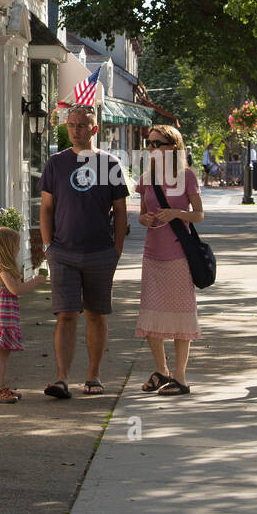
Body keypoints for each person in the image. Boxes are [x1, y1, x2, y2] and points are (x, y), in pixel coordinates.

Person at [39, 103, 127, 398]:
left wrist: (116, 249)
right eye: (72, 125)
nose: (76, 130)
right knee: (65, 315)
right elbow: (47, 208)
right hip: (63, 252)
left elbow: (121, 211)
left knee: (95, 314)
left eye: (82, 125)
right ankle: (62, 378)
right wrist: (48, 245)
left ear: (94, 129)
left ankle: (93, 375)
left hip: (101, 252)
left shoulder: (110, 163)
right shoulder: (56, 163)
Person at [135, 125, 203, 395]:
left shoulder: (186, 176)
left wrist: (176, 213)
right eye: (148, 144)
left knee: (180, 318)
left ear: (173, 146)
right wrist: (146, 219)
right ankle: (161, 370)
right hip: (152, 254)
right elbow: (141, 215)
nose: (151, 148)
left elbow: (198, 214)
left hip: (178, 255)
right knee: (151, 315)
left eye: (156, 143)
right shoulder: (146, 177)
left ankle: (181, 377)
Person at [0, 226, 45, 403]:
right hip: (0, 319)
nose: (18, 250)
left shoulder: (0, 266)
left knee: (3, 354)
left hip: (3, 316)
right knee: (1, 355)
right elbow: (15, 290)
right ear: (8, 248)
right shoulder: (1, 268)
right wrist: (35, 281)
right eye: (16, 246)